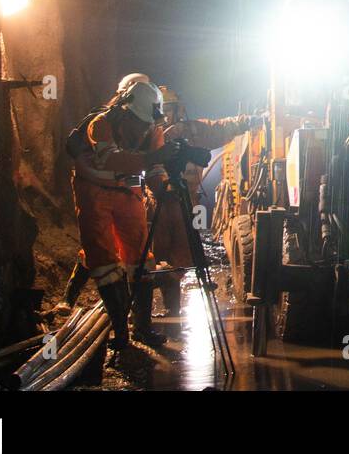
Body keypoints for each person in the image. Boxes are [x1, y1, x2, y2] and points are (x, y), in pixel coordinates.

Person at [72, 77, 179, 354]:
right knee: (103, 258)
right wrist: (152, 159)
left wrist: (165, 189)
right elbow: (109, 158)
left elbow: (154, 169)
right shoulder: (101, 124)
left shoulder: (152, 127)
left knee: (140, 256)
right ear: (125, 110)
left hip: (128, 189)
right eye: (139, 122)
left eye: (147, 123)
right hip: (93, 189)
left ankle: (142, 326)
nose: (143, 128)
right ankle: (121, 331)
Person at [143, 86, 263, 319]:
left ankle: (172, 311)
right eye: (160, 109)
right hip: (155, 204)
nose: (165, 114)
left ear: (178, 110)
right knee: (149, 260)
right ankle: (141, 319)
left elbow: (219, 129)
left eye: (169, 109)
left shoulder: (192, 131)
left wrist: (249, 121)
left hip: (185, 203)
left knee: (179, 261)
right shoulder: (145, 133)